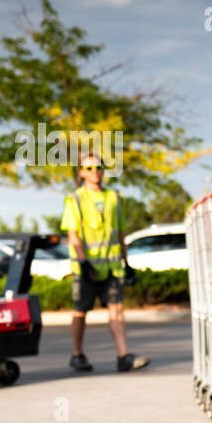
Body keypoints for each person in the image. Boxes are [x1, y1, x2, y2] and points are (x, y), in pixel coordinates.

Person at [61, 155, 150, 373]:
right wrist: (82, 260)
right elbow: (73, 234)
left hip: (112, 265)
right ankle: (77, 354)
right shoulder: (75, 198)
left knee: (116, 309)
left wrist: (126, 262)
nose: (95, 171)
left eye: (98, 167)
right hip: (86, 267)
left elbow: (120, 232)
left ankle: (123, 355)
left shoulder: (114, 198)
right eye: (89, 167)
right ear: (81, 172)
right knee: (80, 311)